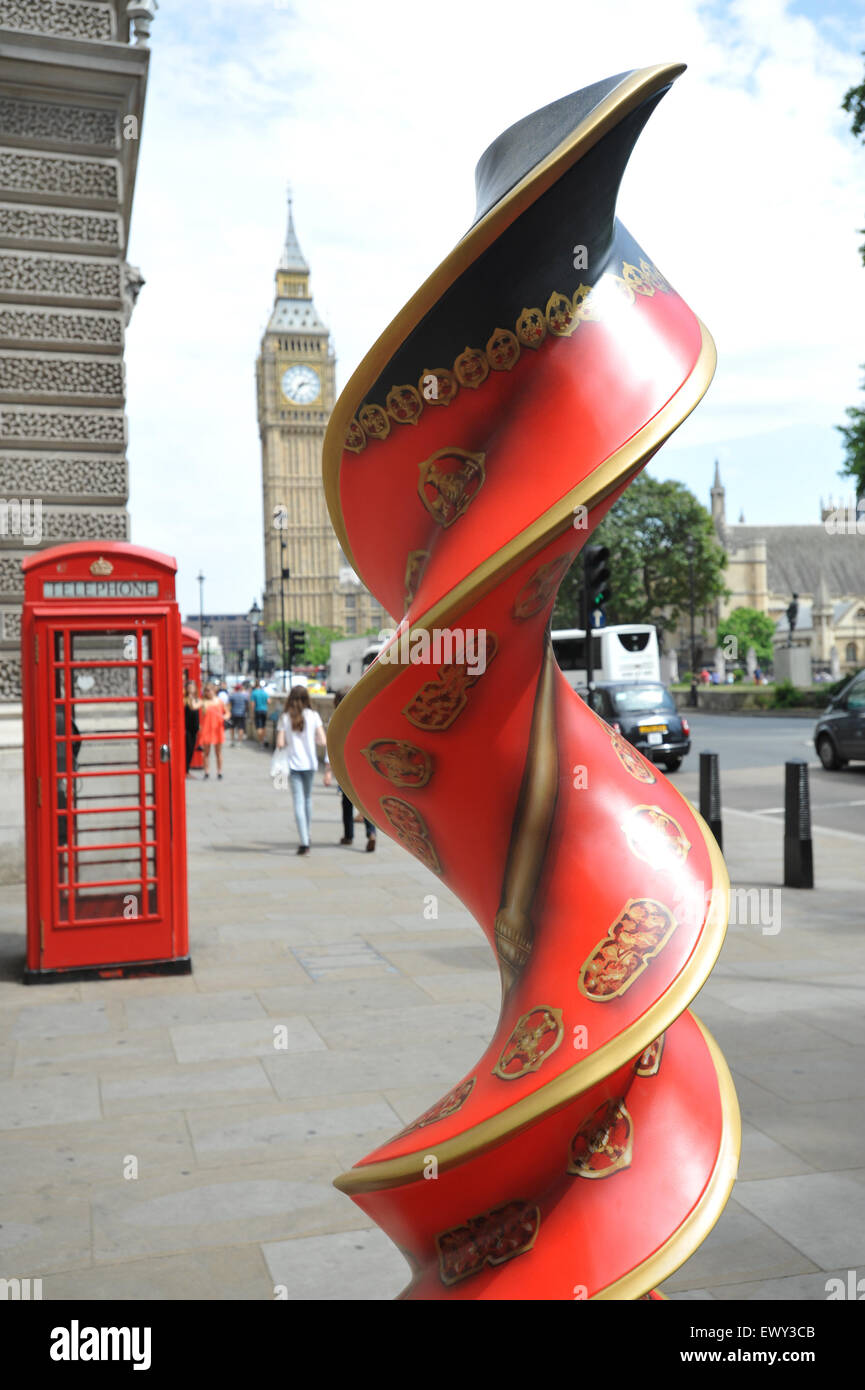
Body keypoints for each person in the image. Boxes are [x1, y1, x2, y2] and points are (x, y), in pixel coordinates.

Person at [276, 685, 331, 854]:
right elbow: (323, 740)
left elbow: (280, 743)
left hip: (293, 764)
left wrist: (290, 741)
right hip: (310, 763)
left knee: (298, 802)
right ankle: (308, 833)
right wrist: (311, 739)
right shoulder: (313, 716)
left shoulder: (285, 717)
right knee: (307, 799)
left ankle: (304, 841)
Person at [332, 692, 376, 852]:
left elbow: (333, 746)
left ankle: (348, 836)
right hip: (363, 766)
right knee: (365, 803)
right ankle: (371, 833)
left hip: (346, 767)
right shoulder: (361, 717)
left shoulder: (337, 721)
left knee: (347, 802)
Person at [199, 681, 225, 779]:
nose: (207, 692)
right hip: (206, 729)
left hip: (217, 729)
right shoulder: (203, 702)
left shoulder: (219, 701)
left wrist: (225, 717)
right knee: (206, 753)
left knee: (218, 753)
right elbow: (194, 707)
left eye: (208, 690)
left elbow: (227, 712)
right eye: (205, 691)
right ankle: (206, 771)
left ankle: (219, 771)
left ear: (214, 690)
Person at [183, 680, 201, 775]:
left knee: (191, 750)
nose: (191, 689)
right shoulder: (184, 700)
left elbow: (198, 707)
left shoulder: (197, 700)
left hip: (194, 729)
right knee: (187, 750)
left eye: (192, 687)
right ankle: (185, 770)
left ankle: (187, 769)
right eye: (189, 687)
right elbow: (192, 707)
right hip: (186, 729)